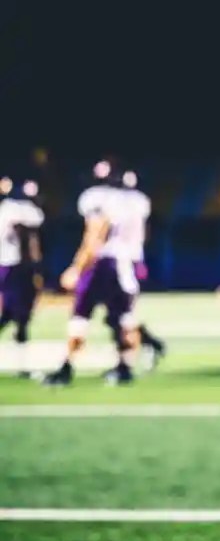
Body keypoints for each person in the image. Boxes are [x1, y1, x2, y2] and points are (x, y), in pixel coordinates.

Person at [43, 160, 151, 386]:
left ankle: (66, 367)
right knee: (123, 318)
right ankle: (124, 367)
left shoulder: (98, 198)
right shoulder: (136, 201)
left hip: (103, 263)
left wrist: (77, 267)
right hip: (127, 263)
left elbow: (96, 234)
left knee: (81, 314)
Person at [119, 169, 165, 370]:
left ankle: (136, 354)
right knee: (121, 312)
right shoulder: (140, 201)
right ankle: (150, 344)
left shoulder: (118, 202)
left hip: (123, 261)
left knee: (122, 313)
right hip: (131, 259)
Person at [0, 177, 45, 378]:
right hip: (15, 267)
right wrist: (36, 269)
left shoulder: (7, 208)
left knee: (14, 316)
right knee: (19, 316)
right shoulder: (19, 210)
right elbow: (28, 240)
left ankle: (23, 364)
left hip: (10, 266)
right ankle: (23, 365)